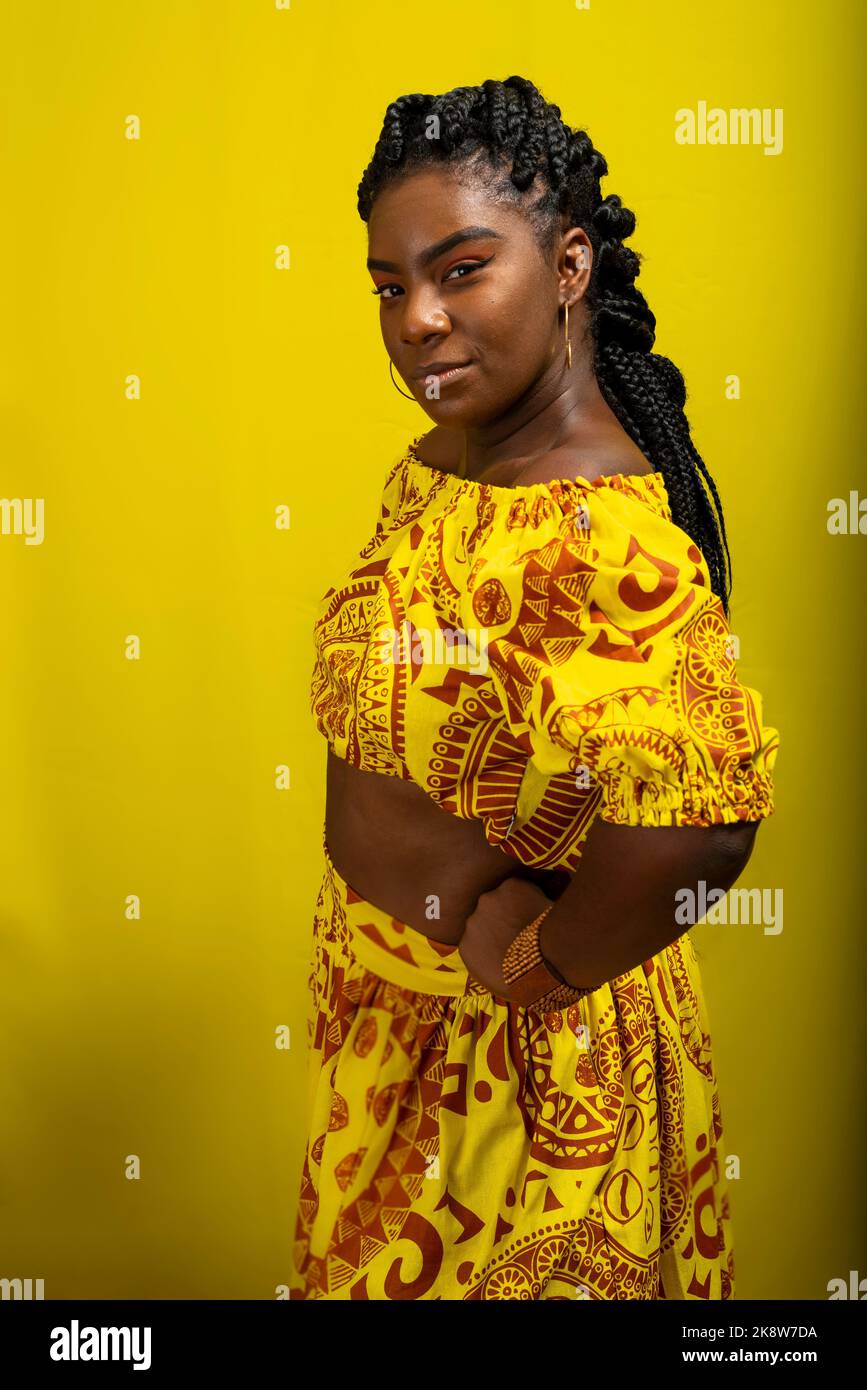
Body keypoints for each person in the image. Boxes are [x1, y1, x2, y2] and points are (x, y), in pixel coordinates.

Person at [289, 76, 780, 1301]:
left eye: (461, 270)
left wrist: (544, 967)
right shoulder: (453, 462)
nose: (417, 320)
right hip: (393, 1040)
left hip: (517, 1087)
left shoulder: (597, 529)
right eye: (391, 287)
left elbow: (704, 821)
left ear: (569, 266)